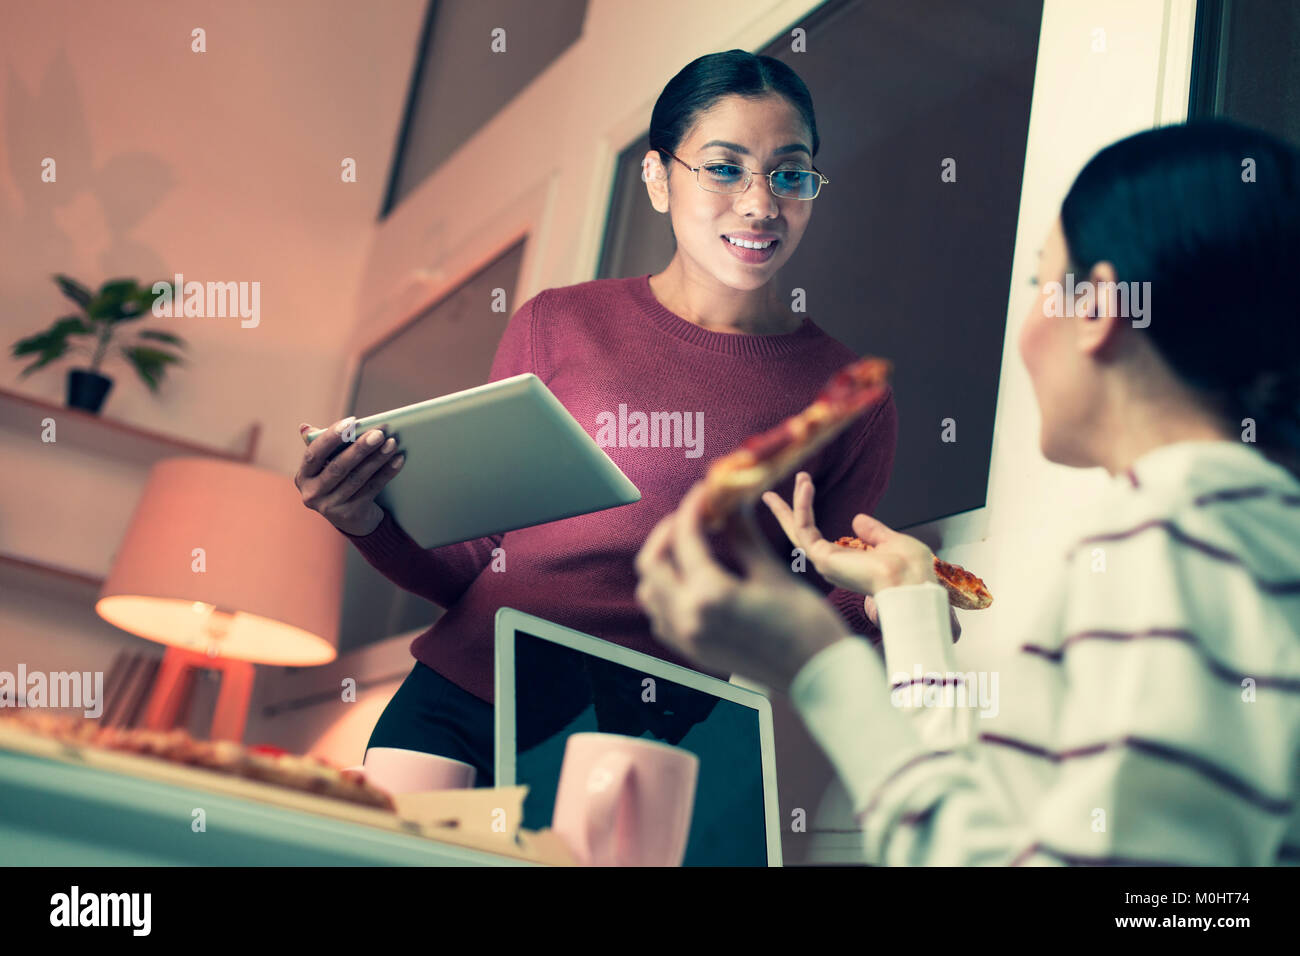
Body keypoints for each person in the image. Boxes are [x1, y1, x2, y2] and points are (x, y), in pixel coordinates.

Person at [635, 119, 1300, 865]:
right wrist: (911, 594)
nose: (1026, 330)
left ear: (1101, 310)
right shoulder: (1242, 532)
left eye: (1041, 285)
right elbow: (993, 826)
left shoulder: (1176, 537)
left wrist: (819, 666)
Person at [294, 50, 918, 786]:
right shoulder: (559, 322)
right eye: (723, 167)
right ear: (658, 178)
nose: (760, 203)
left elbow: (812, 592)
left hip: (644, 741)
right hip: (463, 697)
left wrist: (893, 610)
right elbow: (473, 566)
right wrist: (365, 515)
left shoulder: (847, 399)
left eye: (789, 173)